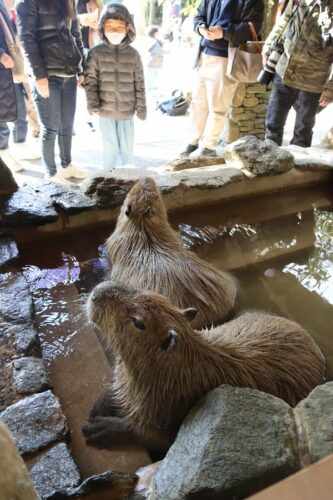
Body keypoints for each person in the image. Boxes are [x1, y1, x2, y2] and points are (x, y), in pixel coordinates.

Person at [180, 0, 264, 158]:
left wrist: (224, 32)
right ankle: (192, 141)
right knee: (198, 102)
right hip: (204, 54)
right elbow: (199, 15)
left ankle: (209, 146)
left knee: (218, 106)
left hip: (226, 58)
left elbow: (253, 27)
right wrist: (201, 28)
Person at [16, 0, 88, 180]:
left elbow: (76, 34)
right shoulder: (27, 2)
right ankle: (51, 172)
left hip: (69, 74)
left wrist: (81, 69)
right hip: (46, 76)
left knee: (67, 126)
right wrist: (39, 76)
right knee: (50, 129)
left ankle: (67, 165)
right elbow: (27, 39)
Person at [84, 2, 146, 171]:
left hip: (127, 111)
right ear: (102, 27)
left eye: (119, 27)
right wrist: (93, 104)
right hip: (105, 111)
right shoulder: (95, 53)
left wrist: (141, 107)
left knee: (127, 150)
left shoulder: (134, 54)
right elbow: (90, 81)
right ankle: (108, 176)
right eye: (110, 26)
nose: (114, 31)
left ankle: (128, 178)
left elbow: (140, 83)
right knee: (109, 148)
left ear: (128, 28)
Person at [263, 0, 333, 148]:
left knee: (302, 134)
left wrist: (330, 88)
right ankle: (270, 167)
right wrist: (269, 46)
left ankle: (299, 169)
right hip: (284, 72)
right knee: (272, 128)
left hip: (313, 81)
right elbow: (285, 20)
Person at [0, 0, 39, 168]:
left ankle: (18, 146)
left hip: (10, 65)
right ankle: (4, 152)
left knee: (17, 106)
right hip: (4, 62)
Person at [145, 25, 164, 98]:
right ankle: (151, 92)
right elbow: (159, 51)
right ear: (155, 33)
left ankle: (152, 92)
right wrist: (167, 51)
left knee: (153, 77)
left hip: (154, 62)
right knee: (151, 77)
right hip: (153, 62)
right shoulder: (152, 41)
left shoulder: (153, 40)